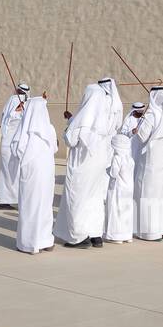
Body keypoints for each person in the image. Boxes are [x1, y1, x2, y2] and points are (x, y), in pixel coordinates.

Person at [54, 82, 111, 249]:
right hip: (97, 166)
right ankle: (95, 236)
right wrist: (72, 119)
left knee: (77, 199)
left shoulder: (82, 120)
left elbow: (70, 139)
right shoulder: (103, 121)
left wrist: (69, 126)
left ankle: (78, 237)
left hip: (81, 167)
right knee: (94, 200)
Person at [14, 95, 58, 254]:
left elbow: (16, 149)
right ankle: (45, 240)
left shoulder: (24, 129)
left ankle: (28, 243)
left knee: (30, 205)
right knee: (45, 205)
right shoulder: (50, 128)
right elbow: (55, 148)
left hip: (31, 173)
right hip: (46, 172)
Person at [134, 86, 163, 241]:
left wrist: (143, 119)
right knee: (162, 194)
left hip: (152, 160)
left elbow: (141, 136)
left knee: (147, 193)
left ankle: (149, 231)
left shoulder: (151, 115)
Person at [0, 83, 30, 209]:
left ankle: (13, 199)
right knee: (8, 174)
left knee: (16, 174)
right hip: (9, 147)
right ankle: (3, 201)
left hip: (16, 147)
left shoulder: (19, 108)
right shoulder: (16, 110)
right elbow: (11, 118)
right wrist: (20, 108)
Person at [104, 111, 137, 243]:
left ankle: (116, 236)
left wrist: (107, 169)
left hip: (118, 189)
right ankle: (127, 235)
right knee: (126, 212)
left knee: (116, 211)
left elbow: (113, 173)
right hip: (128, 189)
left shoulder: (117, 158)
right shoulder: (130, 159)